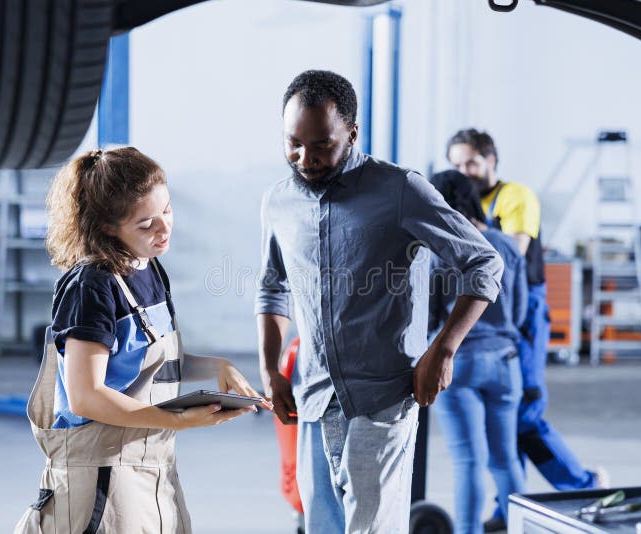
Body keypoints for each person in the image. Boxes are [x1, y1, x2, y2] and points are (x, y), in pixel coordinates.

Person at [256, 70, 504, 534]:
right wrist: (272, 369)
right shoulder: (278, 201)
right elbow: (274, 286)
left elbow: (484, 264)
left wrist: (443, 348)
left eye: (322, 146)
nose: (304, 158)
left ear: (352, 133)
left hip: (384, 400)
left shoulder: (400, 190)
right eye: (293, 143)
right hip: (313, 399)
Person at [15, 147, 268, 534]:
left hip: (153, 466)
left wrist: (218, 367)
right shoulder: (91, 287)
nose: (164, 229)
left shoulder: (148, 268)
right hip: (101, 473)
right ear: (107, 228)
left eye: (166, 210)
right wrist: (176, 419)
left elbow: (146, 360)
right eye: (147, 224)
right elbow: (87, 394)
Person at [446, 129, 607, 532]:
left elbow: (506, 261)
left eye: (470, 162)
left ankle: (583, 488)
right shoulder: (466, 204)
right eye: (457, 164)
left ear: (491, 160)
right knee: (504, 425)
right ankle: (508, 510)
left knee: (525, 411)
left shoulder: (515, 197)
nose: (464, 171)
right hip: (494, 324)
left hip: (519, 315)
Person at [428, 170, 528, 534]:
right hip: (505, 361)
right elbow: (518, 312)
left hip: (459, 363)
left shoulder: (440, 248)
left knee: (469, 460)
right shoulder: (506, 246)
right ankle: (521, 528)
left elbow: (430, 316)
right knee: (505, 460)